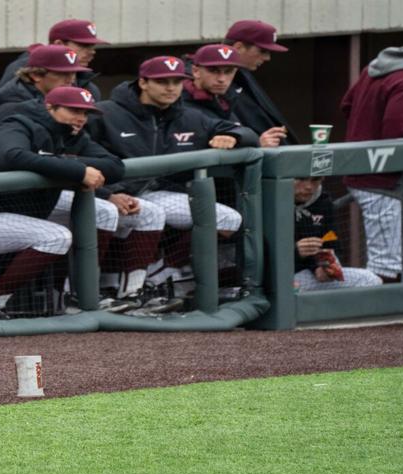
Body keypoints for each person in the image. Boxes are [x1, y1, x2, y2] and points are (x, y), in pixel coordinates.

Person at [0, 85, 120, 321]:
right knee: (55, 237)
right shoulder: (18, 123)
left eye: (85, 113)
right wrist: (75, 169)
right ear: (50, 107)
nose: (81, 118)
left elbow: (115, 166)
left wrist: (62, 162)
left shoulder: (72, 138)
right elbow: (10, 155)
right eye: (73, 110)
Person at [87, 56, 256, 305]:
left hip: (157, 192)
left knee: (228, 219)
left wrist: (233, 136)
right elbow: (76, 150)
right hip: (112, 192)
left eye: (177, 82)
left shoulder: (188, 116)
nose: (171, 88)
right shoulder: (106, 112)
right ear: (143, 82)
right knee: (149, 213)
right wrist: (108, 192)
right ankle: (130, 291)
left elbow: (247, 132)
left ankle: (158, 274)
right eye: (162, 82)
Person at [340, 46, 403, 283]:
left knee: (397, 258)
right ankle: (381, 305)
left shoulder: (373, 69)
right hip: (383, 182)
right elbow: (399, 132)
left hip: (365, 171)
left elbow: (346, 106)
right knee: (387, 265)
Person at [183, 44, 281, 148]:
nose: (222, 79)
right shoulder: (179, 104)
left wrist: (257, 143)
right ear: (196, 71)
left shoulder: (226, 101)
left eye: (228, 72)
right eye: (213, 71)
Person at [290, 177, 380, 290]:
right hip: (275, 280)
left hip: (305, 276)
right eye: (301, 179)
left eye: (315, 180)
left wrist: (324, 268)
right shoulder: (269, 202)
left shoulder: (322, 202)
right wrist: (295, 252)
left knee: (369, 279)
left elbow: (333, 245)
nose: (309, 186)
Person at [220, 20, 293, 147]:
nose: (267, 58)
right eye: (262, 51)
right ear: (238, 47)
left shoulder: (243, 73)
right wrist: (256, 143)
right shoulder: (204, 84)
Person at [0, 18, 107, 97]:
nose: (92, 52)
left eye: (92, 46)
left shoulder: (88, 86)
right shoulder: (27, 66)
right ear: (59, 44)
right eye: (83, 45)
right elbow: (1, 107)